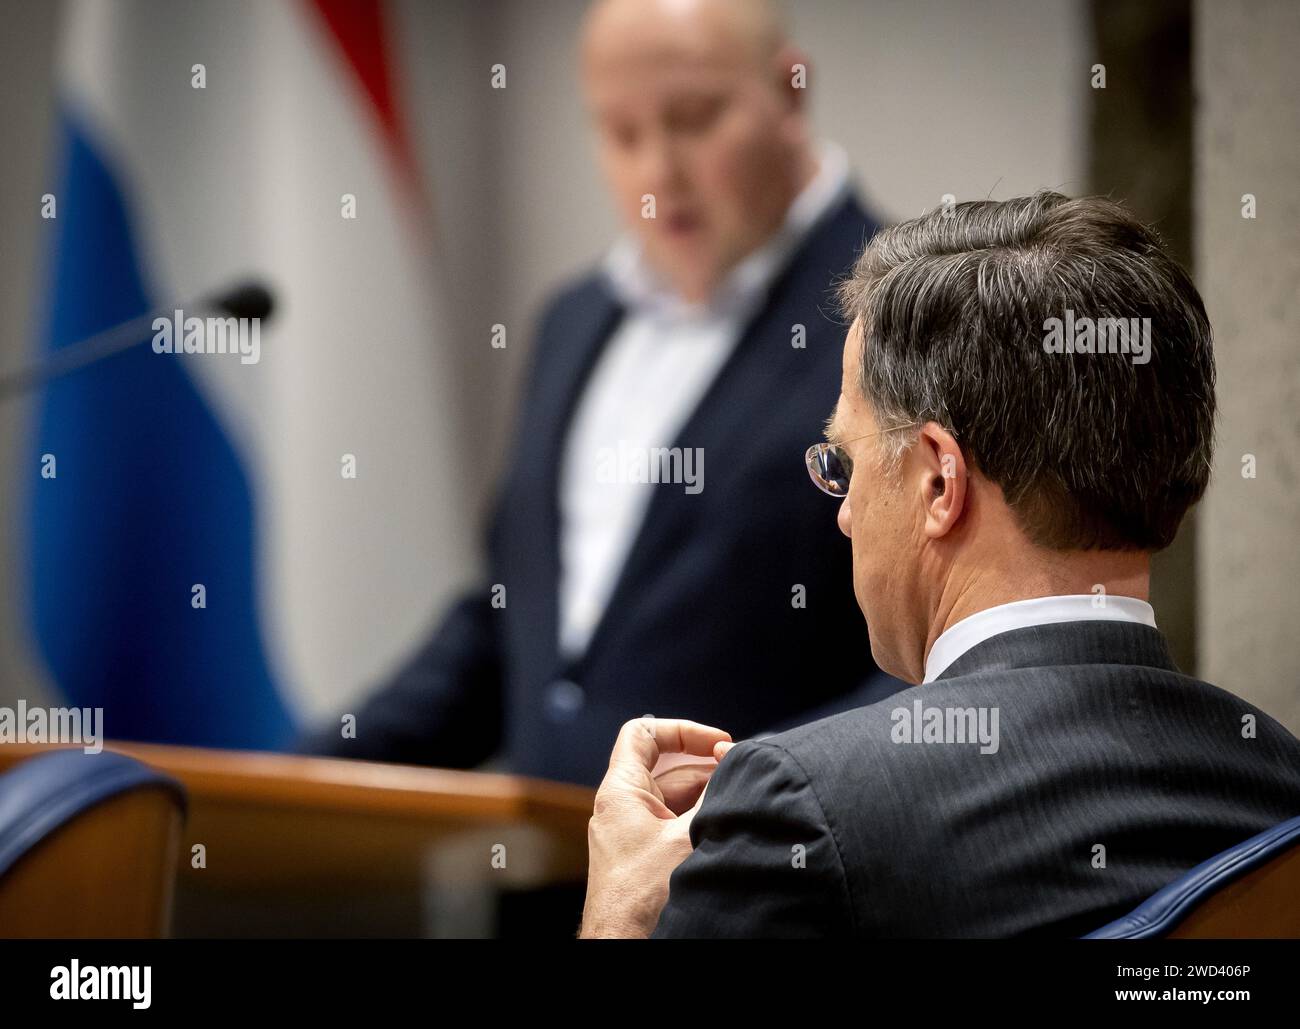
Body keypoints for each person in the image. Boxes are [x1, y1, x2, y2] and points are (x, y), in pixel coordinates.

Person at [579, 191, 1300, 937]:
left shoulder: (802, 807)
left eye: (844, 461)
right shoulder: (1279, 787)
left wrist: (623, 902)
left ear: (937, 482)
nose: (844, 512)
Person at [296, 0, 902, 787]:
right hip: (542, 880)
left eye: (694, 118)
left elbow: (929, 660)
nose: (659, 172)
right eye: (621, 132)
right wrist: (289, 775)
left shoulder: (901, 317)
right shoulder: (570, 323)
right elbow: (516, 618)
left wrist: (747, 800)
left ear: (790, 93)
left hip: (765, 886)